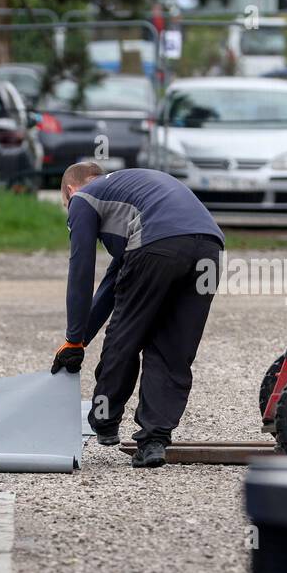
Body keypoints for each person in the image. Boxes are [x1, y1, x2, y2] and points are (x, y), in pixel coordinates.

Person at [51, 162, 224, 468]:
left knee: (126, 333)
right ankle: (154, 441)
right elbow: (111, 284)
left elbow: (81, 270)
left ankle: (105, 418)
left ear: (70, 191)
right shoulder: (131, 193)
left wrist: (73, 339)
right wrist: (78, 340)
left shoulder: (83, 198)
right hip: (209, 248)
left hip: (158, 242)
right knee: (173, 349)